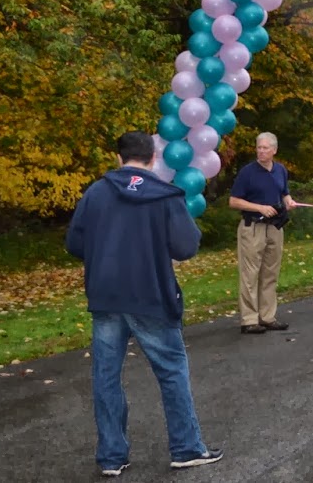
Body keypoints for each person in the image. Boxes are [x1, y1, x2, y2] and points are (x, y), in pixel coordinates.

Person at [65, 132, 221, 474]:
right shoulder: (165, 195)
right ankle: (186, 447)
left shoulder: (95, 193)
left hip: (105, 295)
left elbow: (75, 243)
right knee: (171, 370)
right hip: (150, 294)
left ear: (118, 159)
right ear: (153, 159)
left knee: (106, 375)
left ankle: (111, 457)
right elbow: (186, 246)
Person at [227, 131, 297, 334]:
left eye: (266, 148)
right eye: (259, 147)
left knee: (270, 273)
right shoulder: (247, 172)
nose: (261, 151)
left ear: (274, 150)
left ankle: (267, 317)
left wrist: (289, 201)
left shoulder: (280, 170)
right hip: (253, 227)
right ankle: (249, 320)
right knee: (250, 273)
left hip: (275, 227)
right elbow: (233, 201)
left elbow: (284, 192)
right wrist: (259, 207)